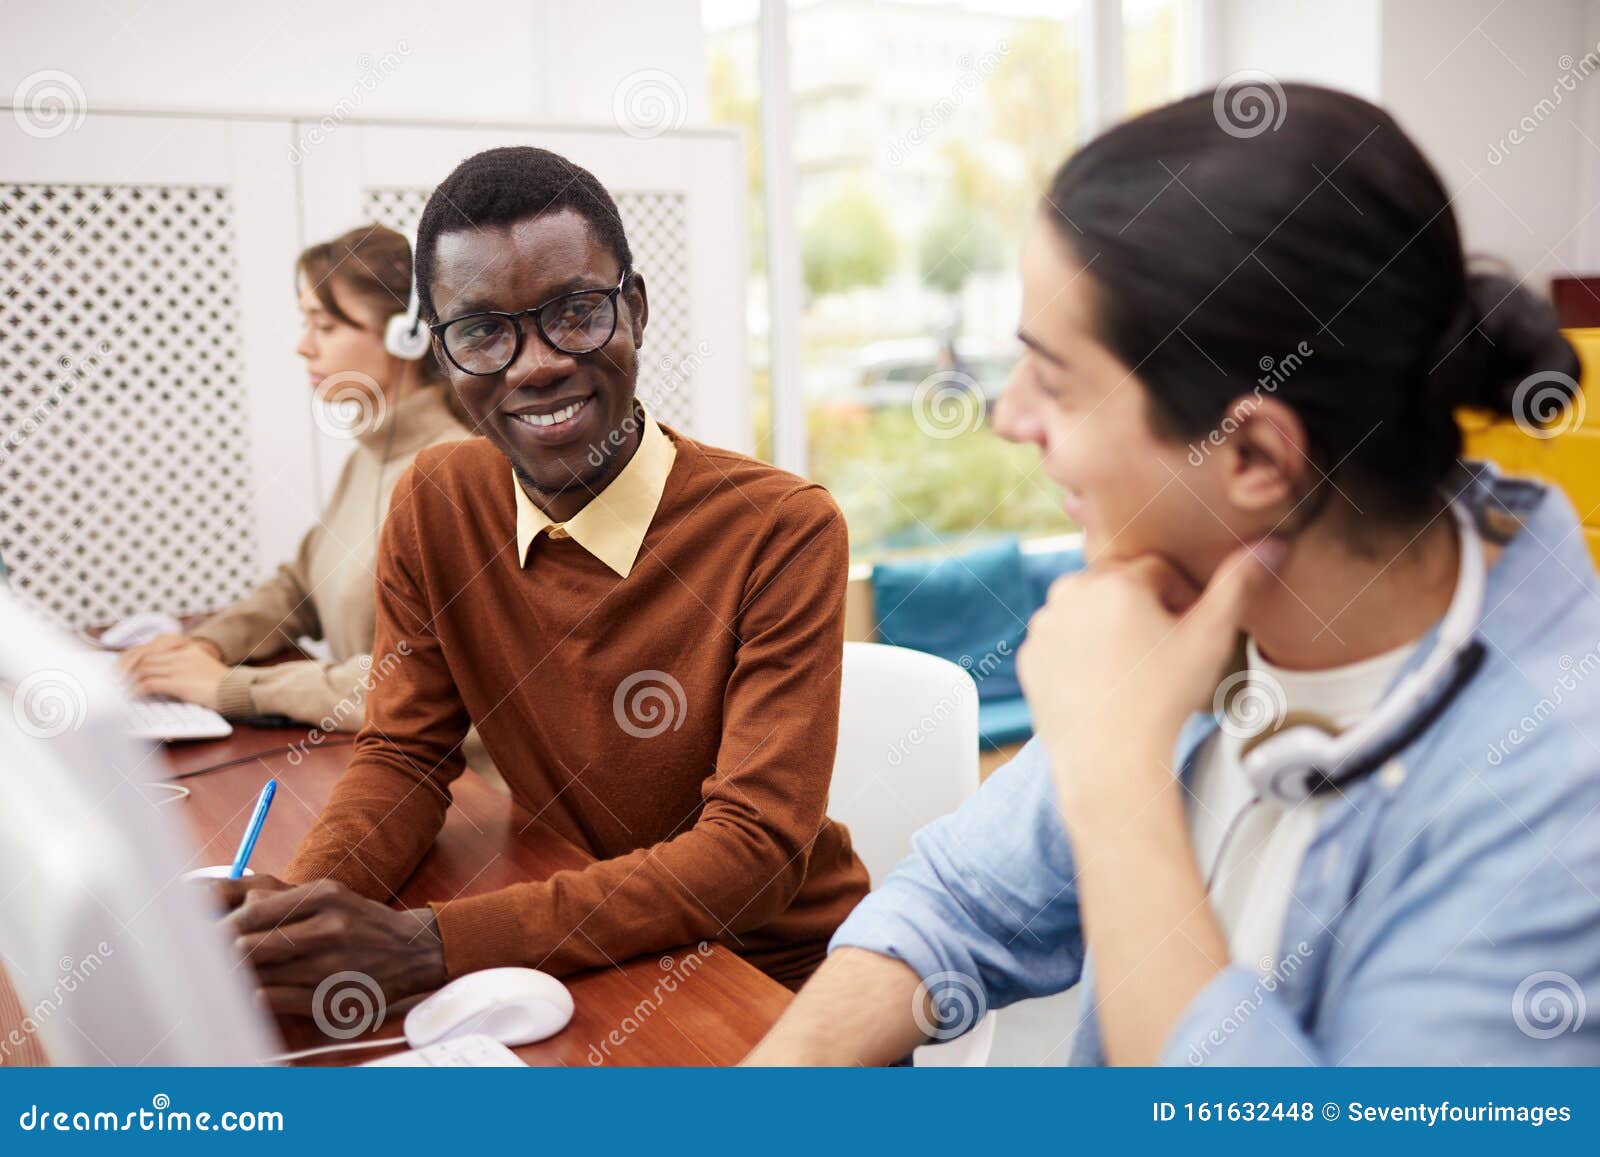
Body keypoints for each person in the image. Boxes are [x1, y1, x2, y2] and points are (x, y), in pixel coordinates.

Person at [746, 83, 1600, 1066]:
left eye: (1054, 379)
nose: (1009, 416)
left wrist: (1115, 776)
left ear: (1252, 460)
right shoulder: (1189, 588)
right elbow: (958, 901)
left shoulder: (1557, 793)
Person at [213, 146, 870, 1007]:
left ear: (633, 307)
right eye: (483, 331)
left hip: (774, 973)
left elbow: (752, 854)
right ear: (443, 355)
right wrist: (304, 908)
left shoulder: (778, 530)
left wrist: (431, 945)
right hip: (590, 942)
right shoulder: (437, 502)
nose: (535, 364)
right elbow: (408, 752)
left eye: (574, 311)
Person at [118, 225, 473, 729]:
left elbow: (421, 681)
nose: (303, 347)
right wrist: (205, 645)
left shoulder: (455, 474)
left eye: (324, 326)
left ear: (407, 336)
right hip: (376, 754)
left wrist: (232, 688)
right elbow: (301, 589)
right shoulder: (370, 459)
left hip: (458, 787)